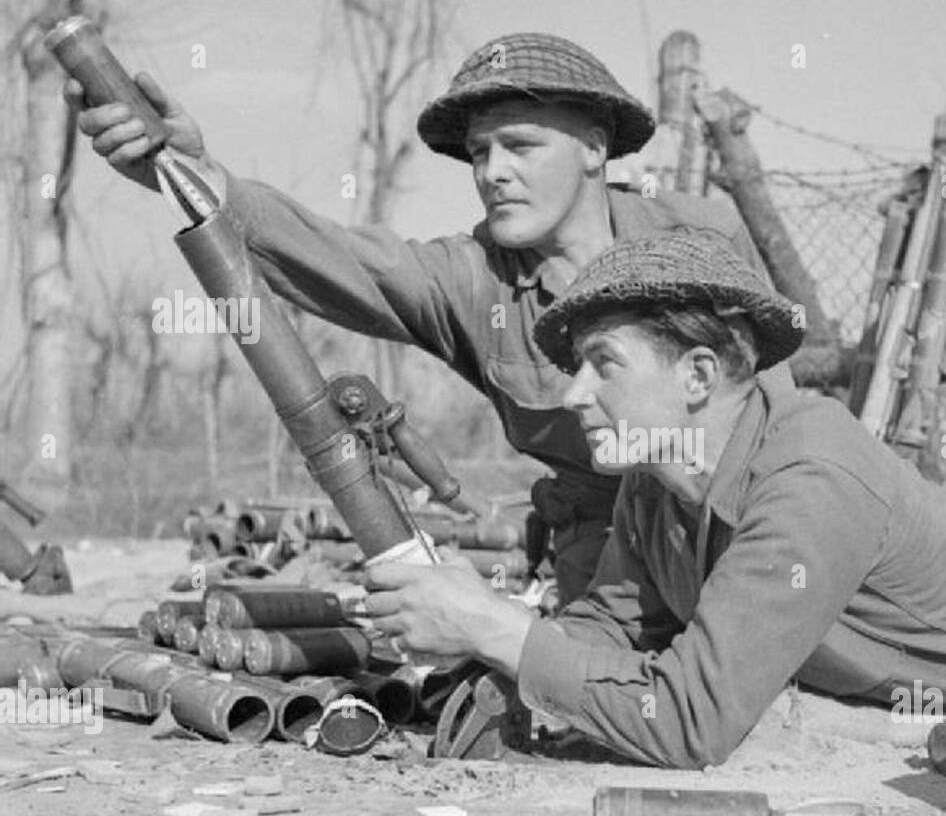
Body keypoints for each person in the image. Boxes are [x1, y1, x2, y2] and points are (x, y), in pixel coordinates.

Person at [363, 227, 946, 770]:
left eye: (602, 364)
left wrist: (491, 626)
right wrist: (494, 661)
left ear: (696, 376)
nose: (573, 393)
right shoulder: (656, 482)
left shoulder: (811, 473)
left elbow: (692, 720)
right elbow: (616, 624)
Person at [65, 33, 765, 603]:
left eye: (519, 145)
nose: (492, 171)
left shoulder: (702, 237)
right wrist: (194, 176)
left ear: (594, 146)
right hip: (605, 556)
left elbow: (774, 431)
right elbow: (338, 257)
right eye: (479, 152)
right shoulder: (470, 277)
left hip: (729, 532)